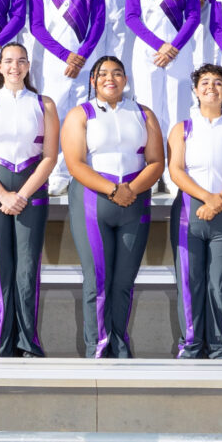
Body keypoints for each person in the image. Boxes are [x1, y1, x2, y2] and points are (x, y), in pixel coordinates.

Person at [60, 56, 165, 358]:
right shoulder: (81, 114)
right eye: (103, 74)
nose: (110, 78)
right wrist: (111, 189)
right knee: (98, 278)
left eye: (117, 73)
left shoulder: (143, 114)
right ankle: (97, 344)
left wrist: (130, 189)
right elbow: (75, 162)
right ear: (92, 80)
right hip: (93, 201)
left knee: (124, 280)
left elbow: (157, 161)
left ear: (126, 79)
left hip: (134, 200)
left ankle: (119, 343)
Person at [0, 42, 60, 357]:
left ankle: (27, 340)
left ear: (28, 66)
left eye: (21, 61)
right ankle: (0, 340)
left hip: (30, 193)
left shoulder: (43, 103)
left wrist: (20, 194)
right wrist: (2, 194)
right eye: (8, 61)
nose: (15, 66)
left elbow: (49, 156)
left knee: (27, 268)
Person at [165, 64, 222, 359]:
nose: (211, 88)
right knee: (191, 283)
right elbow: (176, 170)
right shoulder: (182, 128)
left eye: (218, 83)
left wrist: (220, 201)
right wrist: (207, 199)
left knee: (219, 283)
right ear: (195, 90)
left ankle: (217, 344)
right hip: (189, 212)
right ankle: (190, 344)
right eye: (205, 82)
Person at [27, 0, 112, 192]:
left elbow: (98, 23)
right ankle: (56, 172)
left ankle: (81, 171)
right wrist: (67, 56)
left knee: (86, 115)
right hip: (54, 59)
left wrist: (82, 55)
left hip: (87, 57)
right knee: (55, 115)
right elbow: (37, 26)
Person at [123, 0, 203, 131]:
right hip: (148, 50)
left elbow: (194, 15)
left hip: (180, 48)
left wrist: (174, 47)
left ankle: (176, 157)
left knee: (179, 106)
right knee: (149, 106)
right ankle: (153, 158)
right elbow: (131, 17)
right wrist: (160, 46)